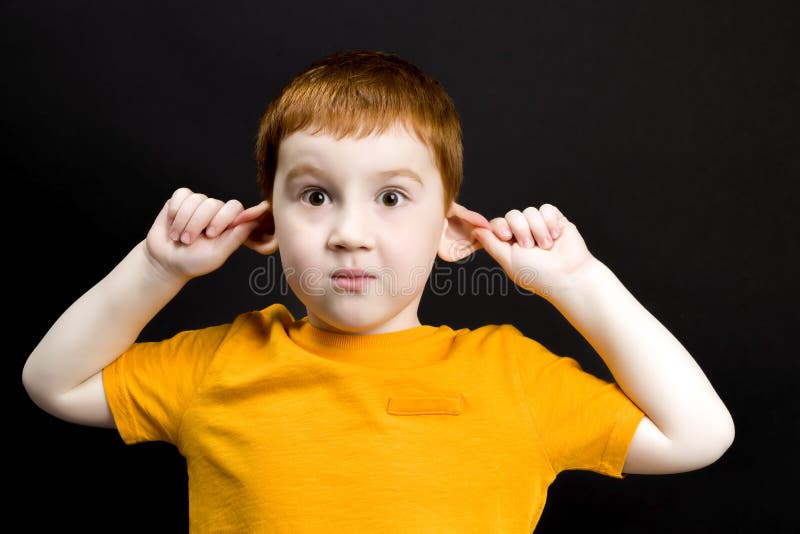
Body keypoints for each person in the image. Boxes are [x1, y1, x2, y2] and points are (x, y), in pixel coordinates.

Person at [22, 50, 734, 533]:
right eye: (315, 196)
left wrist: (581, 283)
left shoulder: (511, 376)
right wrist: (159, 267)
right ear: (267, 224)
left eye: (392, 196)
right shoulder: (222, 364)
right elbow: (53, 383)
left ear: (453, 231)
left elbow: (698, 435)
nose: (350, 233)